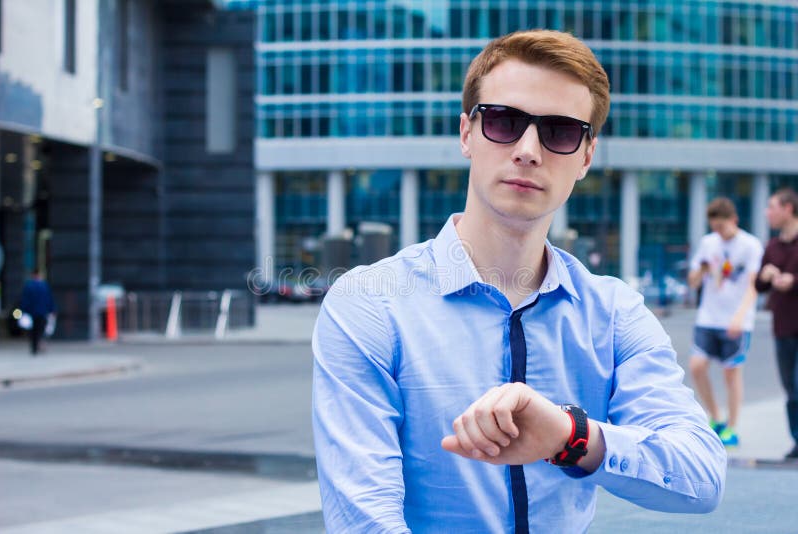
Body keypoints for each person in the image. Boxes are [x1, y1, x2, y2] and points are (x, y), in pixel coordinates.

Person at [312, 30, 725, 532]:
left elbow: (702, 475)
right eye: (505, 122)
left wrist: (570, 437)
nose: (529, 150)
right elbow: (365, 520)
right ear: (467, 133)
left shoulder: (614, 312)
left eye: (560, 132)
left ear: (587, 156)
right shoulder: (369, 304)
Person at [686, 198, 763, 448]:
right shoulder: (709, 243)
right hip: (708, 316)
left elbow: (753, 285)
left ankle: (732, 426)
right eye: (715, 227)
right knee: (696, 366)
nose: (718, 232)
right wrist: (703, 269)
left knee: (731, 373)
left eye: (723, 227)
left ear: (734, 220)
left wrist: (740, 317)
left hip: (736, 319)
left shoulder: (750, 245)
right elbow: (693, 281)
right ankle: (716, 417)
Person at [755, 187, 798, 460]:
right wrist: (766, 274)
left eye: (772, 207)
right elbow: (758, 286)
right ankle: (796, 441)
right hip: (782, 328)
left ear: (788, 209)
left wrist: (793, 281)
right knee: (791, 390)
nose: (767, 213)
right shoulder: (772, 246)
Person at [19, 269, 57, 355]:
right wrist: (52, 310)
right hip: (42, 311)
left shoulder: (28, 286)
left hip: (31, 312)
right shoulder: (44, 286)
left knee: (33, 330)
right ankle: (38, 343)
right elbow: (49, 299)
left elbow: (24, 300)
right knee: (40, 329)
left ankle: (34, 346)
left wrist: (22, 311)